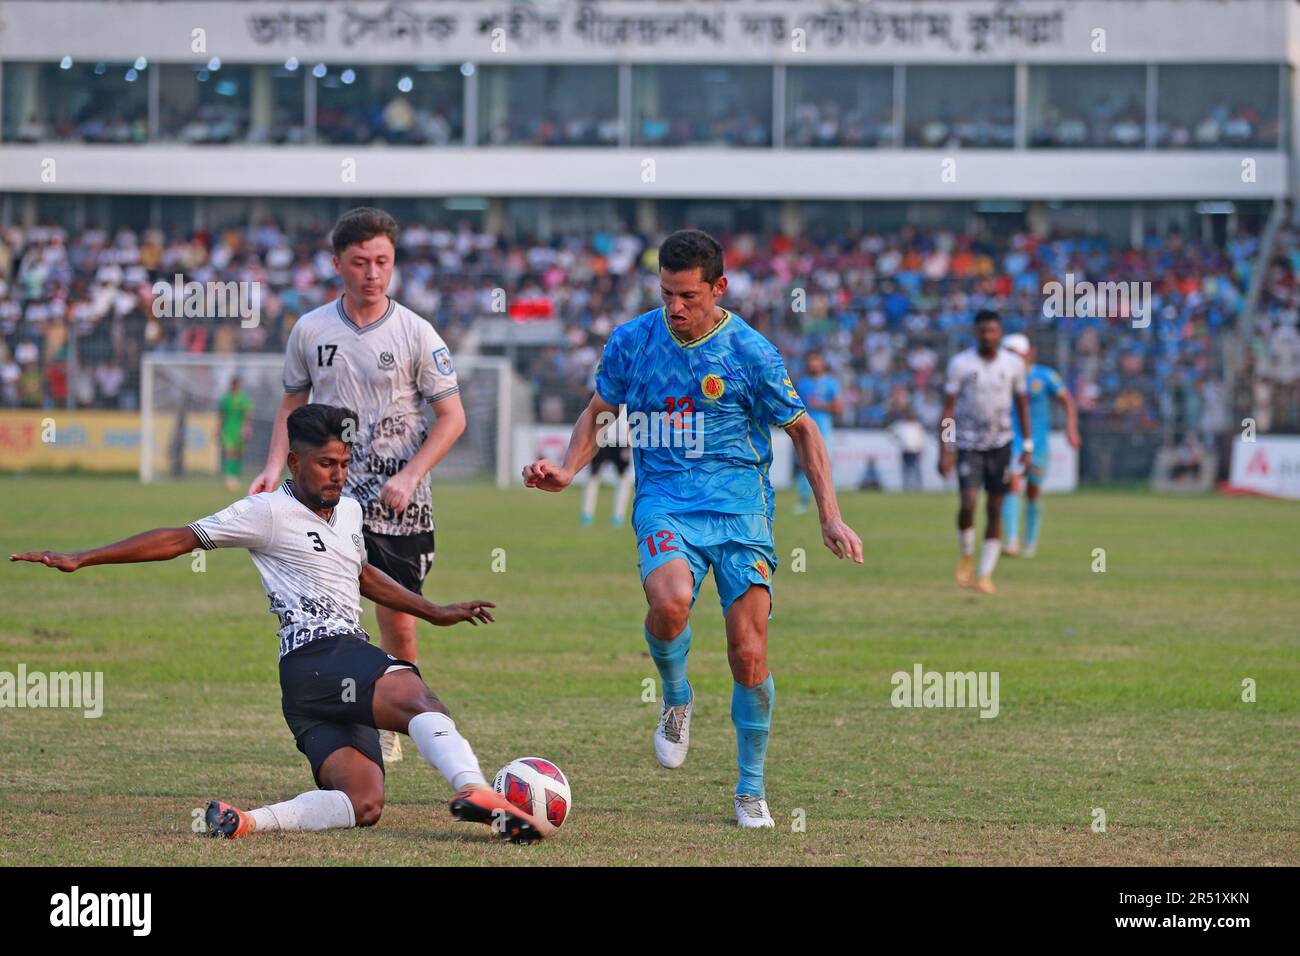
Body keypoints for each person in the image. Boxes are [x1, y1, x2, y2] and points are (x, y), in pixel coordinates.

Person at [11, 403, 551, 844]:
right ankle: (475, 788)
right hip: (320, 656)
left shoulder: (349, 510)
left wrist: (433, 610)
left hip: (313, 688)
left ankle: (246, 821)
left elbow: (359, 573)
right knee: (417, 697)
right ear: (294, 461)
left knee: (363, 803)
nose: (338, 474)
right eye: (325, 464)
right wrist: (83, 557)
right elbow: (179, 538)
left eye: (344, 463)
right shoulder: (266, 512)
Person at [523, 229, 863, 829]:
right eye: (666, 294)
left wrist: (829, 514)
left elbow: (804, 430)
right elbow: (600, 412)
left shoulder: (750, 352)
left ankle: (750, 789)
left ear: (719, 288)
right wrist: (568, 470)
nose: (675, 307)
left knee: (748, 654)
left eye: (688, 296)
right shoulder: (632, 341)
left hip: (741, 513)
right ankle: (676, 693)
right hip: (665, 502)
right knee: (671, 601)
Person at [250, 207, 466, 764]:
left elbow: (452, 418)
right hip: (329, 495)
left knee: (398, 615)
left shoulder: (416, 332)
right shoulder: (310, 329)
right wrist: (274, 466)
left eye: (383, 262)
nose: (373, 273)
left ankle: (399, 715)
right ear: (336, 264)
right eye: (360, 262)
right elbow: (291, 404)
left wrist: (410, 475)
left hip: (400, 504)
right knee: (334, 611)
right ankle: (356, 711)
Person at [937, 311, 1030, 594]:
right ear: (975, 333)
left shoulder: (1013, 364)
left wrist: (1027, 446)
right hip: (968, 444)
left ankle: (985, 574)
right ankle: (967, 553)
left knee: (995, 508)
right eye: (983, 331)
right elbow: (949, 409)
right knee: (968, 502)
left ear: (999, 333)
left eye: (993, 331)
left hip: (1001, 444)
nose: (988, 336)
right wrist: (946, 448)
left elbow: (1022, 405)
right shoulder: (961, 364)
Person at [1000, 335, 1081, 558]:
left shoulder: (1044, 376)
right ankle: (1012, 540)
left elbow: (1067, 401)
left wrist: (1071, 429)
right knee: (1013, 483)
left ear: (1028, 353)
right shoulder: (1002, 377)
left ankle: (1030, 542)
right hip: (1012, 440)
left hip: (1039, 444)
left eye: (1014, 353)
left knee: (1033, 491)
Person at [793, 350, 842, 514]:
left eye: (816, 361)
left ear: (822, 363)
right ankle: (804, 500)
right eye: (810, 361)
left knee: (825, 463)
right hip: (804, 429)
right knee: (805, 463)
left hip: (823, 429)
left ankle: (830, 504)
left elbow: (839, 407)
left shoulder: (831, 383)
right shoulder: (803, 383)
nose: (813, 364)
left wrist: (821, 405)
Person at [581, 403, 635, 528]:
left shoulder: (632, 394)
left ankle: (618, 516)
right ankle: (587, 514)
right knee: (593, 476)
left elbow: (632, 417)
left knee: (623, 478)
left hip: (622, 440)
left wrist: (629, 442)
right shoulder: (604, 392)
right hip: (602, 438)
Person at [217, 375, 254, 492]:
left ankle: (236, 477)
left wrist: (247, 429)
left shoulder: (244, 399)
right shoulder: (225, 399)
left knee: (238, 454)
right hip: (228, 430)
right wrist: (218, 429)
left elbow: (247, 415)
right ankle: (230, 478)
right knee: (230, 453)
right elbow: (221, 415)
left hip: (240, 430)